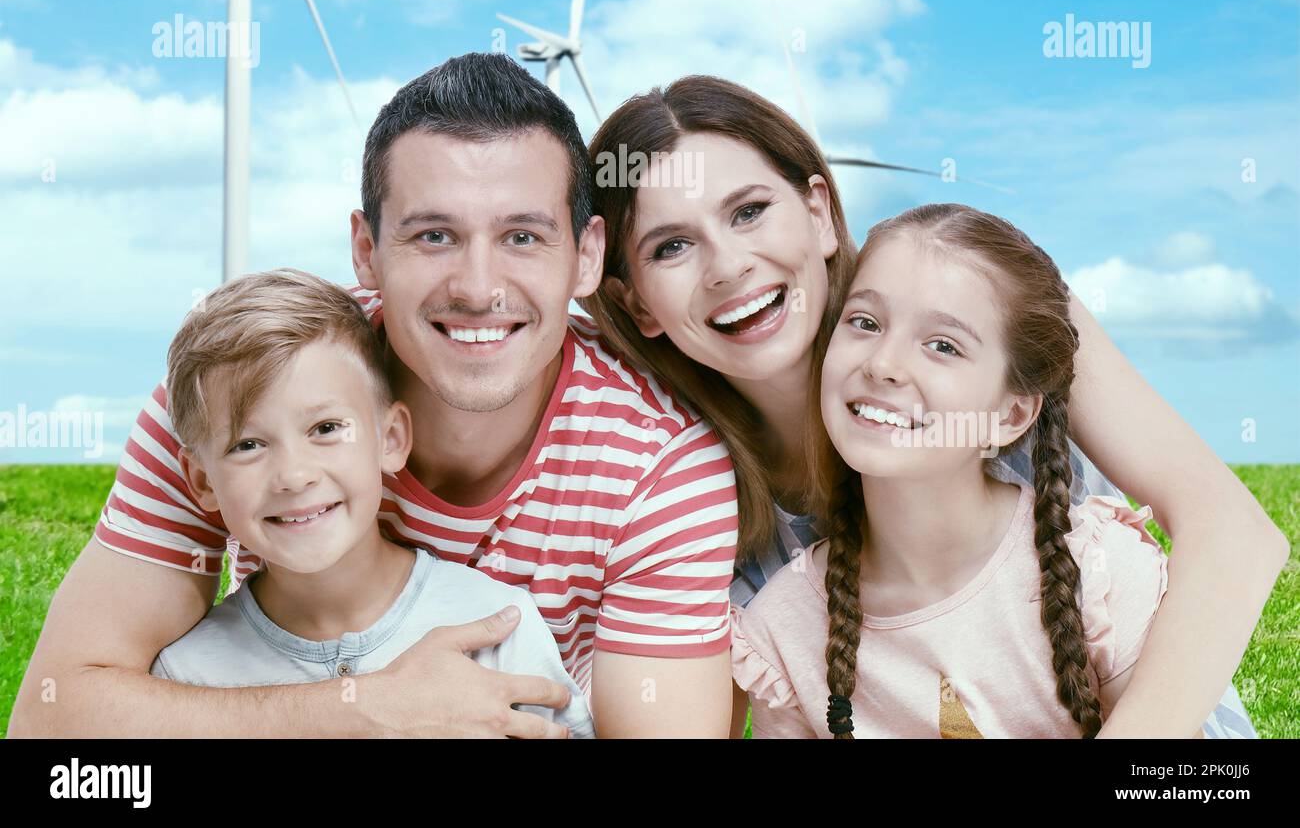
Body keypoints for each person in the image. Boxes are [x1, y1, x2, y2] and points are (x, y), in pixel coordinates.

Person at [10, 54, 737, 739]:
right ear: (365, 249)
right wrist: (369, 709)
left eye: (522, 235)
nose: (478, 288)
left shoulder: (663, 472)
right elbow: (54, 720)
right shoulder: (233, 394)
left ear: (585, 254)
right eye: (432, 235)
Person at [582, 75, 1284, 738]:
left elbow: (1235, 532)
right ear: (634, 300)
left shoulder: (988, 297)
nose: (727, 264)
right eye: (672, 245)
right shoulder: (690, 499)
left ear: (820, 213)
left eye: (750, 210)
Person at [733, 203, 1192, 738]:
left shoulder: (1099, 569)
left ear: (1011, 414)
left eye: (943, 346)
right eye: (865, 322)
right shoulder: (781, 629)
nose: (882, 364)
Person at [148, 268, 594, 739]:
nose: (294, 476)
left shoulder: (496, 626)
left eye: (325, 429)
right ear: (202, 481)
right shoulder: (188, 675)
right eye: (248, 445)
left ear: (391, 439)